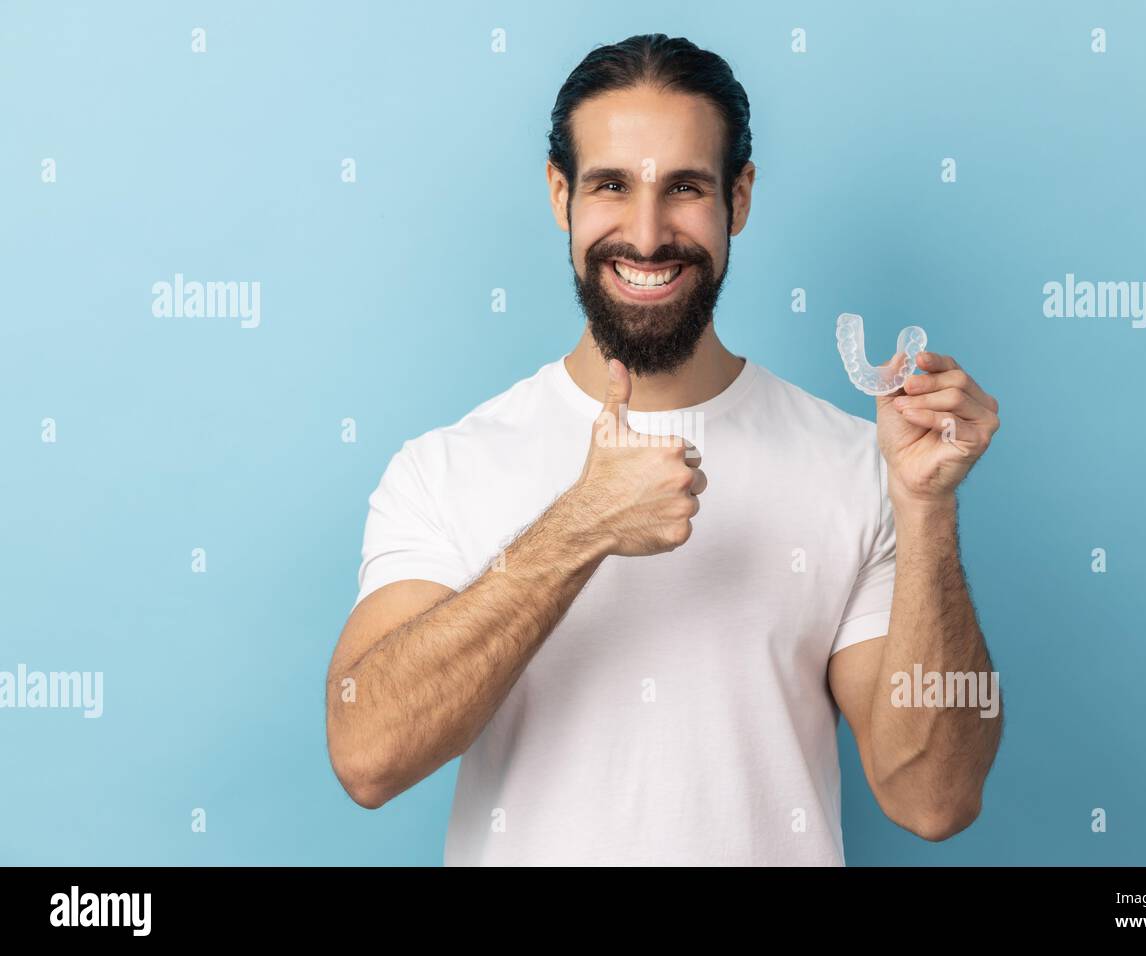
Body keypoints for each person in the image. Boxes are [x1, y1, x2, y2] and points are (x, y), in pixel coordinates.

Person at [325, 33, 1003, 866]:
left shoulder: (857, 467)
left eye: (683, 188)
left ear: (739, 199)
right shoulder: (444, 469)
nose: (646, 236)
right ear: (559, 193)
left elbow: (934, 797)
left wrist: (927, 510)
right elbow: (367, 756)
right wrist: (579, 528)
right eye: (612, 185)